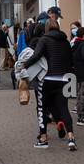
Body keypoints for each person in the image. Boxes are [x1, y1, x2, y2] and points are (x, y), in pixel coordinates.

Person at [19, 13, 77, 151]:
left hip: (48, 79)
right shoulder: (65, 41)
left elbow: (36, 55)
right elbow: (70, 60)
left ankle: (43, 139)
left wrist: (24, 65)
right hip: (64, 79)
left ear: (46, 28)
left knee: (42, 108)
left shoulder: (44, 40)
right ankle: (71, 138)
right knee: (64, 108)